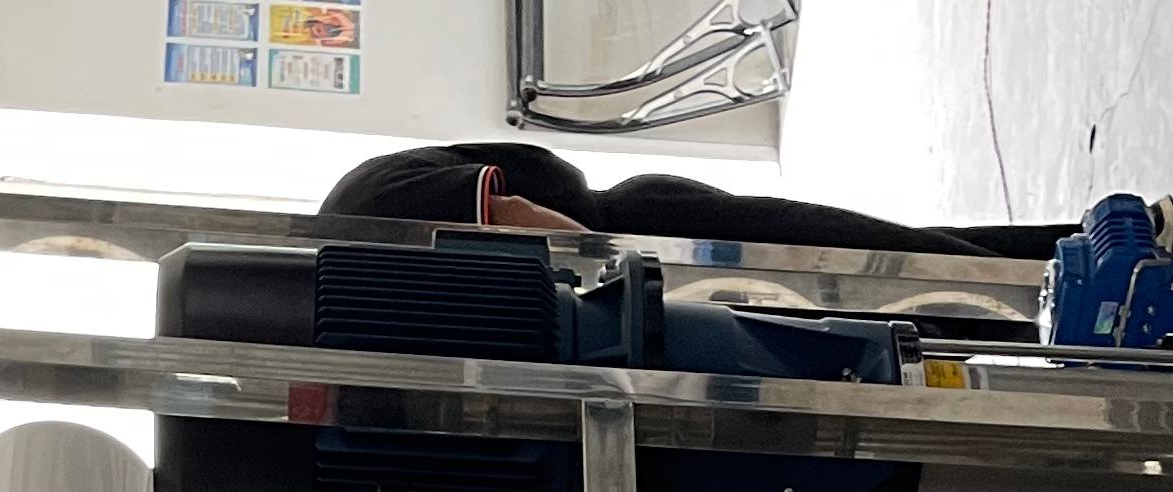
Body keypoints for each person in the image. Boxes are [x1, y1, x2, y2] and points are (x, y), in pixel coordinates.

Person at [323, 140, 1079, 259]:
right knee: (899, 266)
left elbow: (520, 222)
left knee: (888, 259)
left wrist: (624, 266)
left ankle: (1105, 276)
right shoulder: (347, 240)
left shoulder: (359, 212)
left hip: (653, 234)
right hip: (652, 259)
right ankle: (1081, 249)